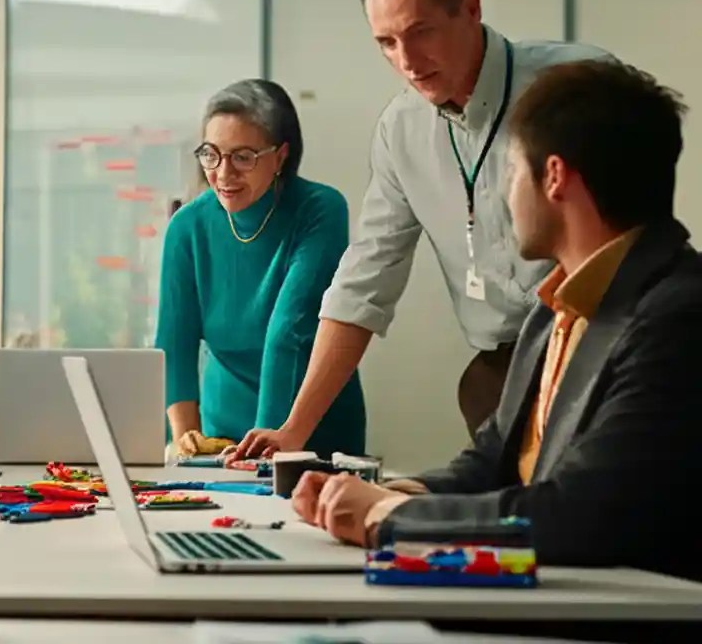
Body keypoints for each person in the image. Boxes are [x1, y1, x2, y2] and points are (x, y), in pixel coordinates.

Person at [293, 59, 702, 583]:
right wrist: (388, 494)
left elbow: (584, 513)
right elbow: (492, 460)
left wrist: (387, 518)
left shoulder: (677, 315)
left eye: (511, 172)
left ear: (554, 177)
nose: (506, 196)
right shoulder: (552, 307)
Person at [230, 0, 611, 462]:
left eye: (420, 32)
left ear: (471, 8)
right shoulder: (402, 130)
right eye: (386, 43)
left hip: (599, 351)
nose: (407, 61)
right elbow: (366, 279)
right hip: (501, 374)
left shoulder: (578, 83)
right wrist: (293, 431)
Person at [158, 79, 365, 458]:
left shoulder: (320, 209)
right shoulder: (187, 226)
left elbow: (289, 331)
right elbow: (175, 344)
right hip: (221, 435)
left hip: (309, 433)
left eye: (243, 157)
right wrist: (187, 441)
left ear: (280, 156)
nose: (223, 174)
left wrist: (267, 447)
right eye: (211, 155)